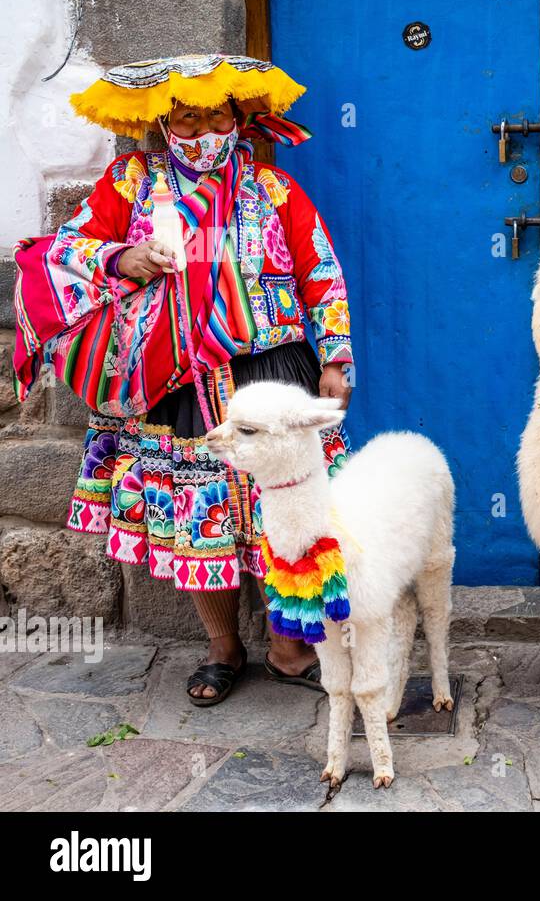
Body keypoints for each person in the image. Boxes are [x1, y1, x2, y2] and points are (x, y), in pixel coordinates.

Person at [14, 55, 354, 705]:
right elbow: (66, 248)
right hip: (172, 382)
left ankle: (289, 646)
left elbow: (321, 272)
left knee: (286, 514)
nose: (202, 129)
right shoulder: (133, 183)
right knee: (203, 520)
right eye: (187, 118)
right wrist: (123, 255)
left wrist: (335, 357)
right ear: (164, 124)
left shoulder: (271, 188)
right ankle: (223, 647)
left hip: (271, 374)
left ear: (239, 117)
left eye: (215, 115)